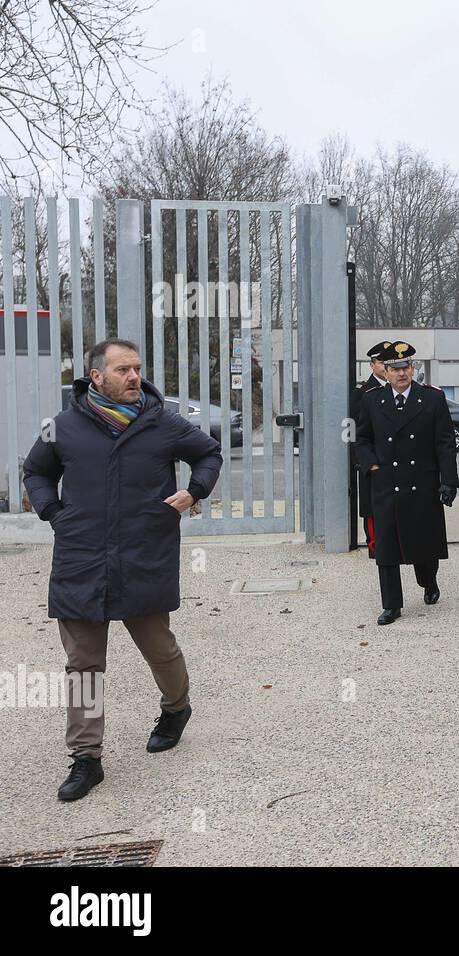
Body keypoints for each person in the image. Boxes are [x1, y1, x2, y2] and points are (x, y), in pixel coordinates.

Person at [22, 338, 223, 802]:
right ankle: (86, 758)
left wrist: (194, 491)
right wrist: (55, 512)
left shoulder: (163, 424)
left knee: (160, 648)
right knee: (83, 666)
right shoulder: (63, 427)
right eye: (123, 370)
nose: (134, 377)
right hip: (81, 558)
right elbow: (35, 470)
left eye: (137, 368)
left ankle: (176, 709)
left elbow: (208, 453)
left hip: (143, 553)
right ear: (97, 377)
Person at [354, 342, 457, 624]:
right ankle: (392, 604)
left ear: (412, 368)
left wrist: (448, 482)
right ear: (385, 371)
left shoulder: (432, 399)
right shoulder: (372, 400)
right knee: (386, 548)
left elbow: (445, 443)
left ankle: (428, 581)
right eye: (395, 369)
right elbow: (361, 438)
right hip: (386, 483)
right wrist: (371, 463)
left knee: (422, 546)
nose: (402, 373)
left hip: (421, 484)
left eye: (406, 367)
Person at [352, 341, 391, 552]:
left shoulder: (400, 389)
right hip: (372, 459)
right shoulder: (363, 393)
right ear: (372, 365)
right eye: (382, 362)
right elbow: (357, 431)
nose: (386, 366)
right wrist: (364, 462)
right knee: (372, 506)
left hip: (394, 458)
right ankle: (374, 544)